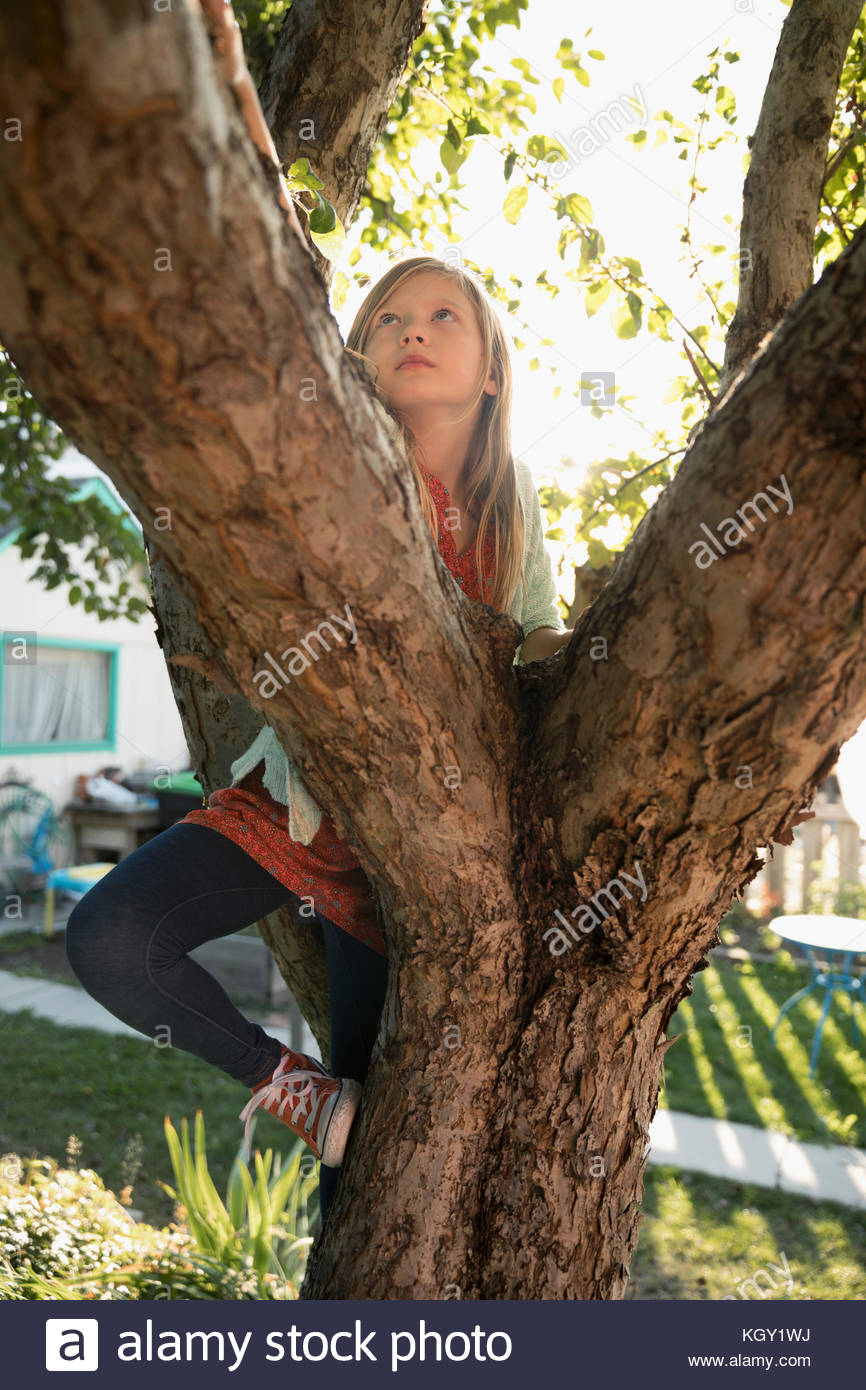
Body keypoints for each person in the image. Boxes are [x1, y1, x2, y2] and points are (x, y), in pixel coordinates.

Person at [65, 255, 571, 1230]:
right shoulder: (332, 476)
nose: (411, 331)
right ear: (354, 360)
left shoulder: (509, 495)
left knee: (382, 1151)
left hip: (419, 849)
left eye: (439, 316)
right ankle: (301, 1094)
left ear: (494, 368)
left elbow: (535, 631)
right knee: (111, 936)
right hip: (301, 803)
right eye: (386, 320)